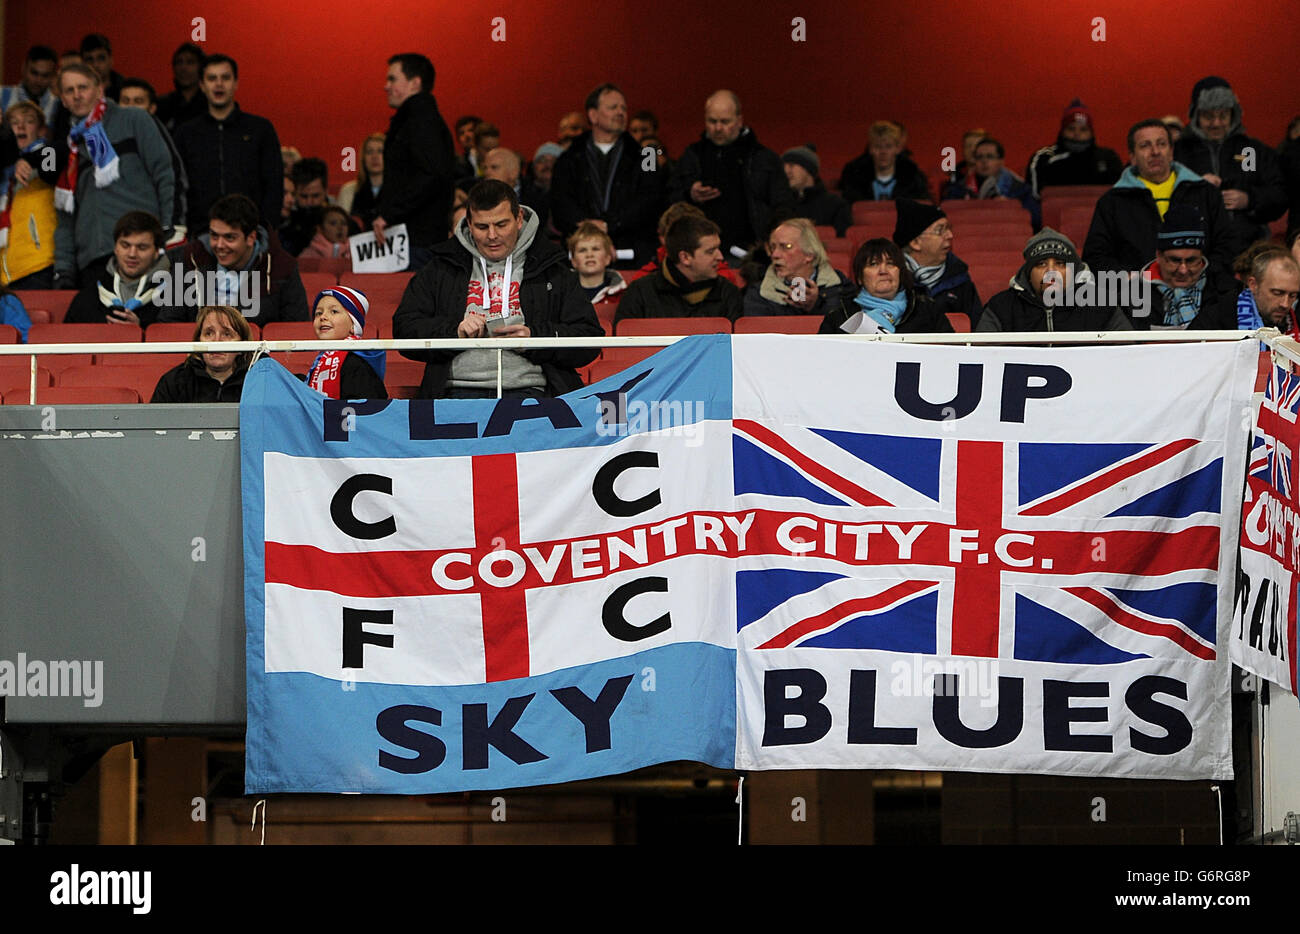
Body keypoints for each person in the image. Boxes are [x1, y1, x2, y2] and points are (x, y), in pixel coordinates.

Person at [392, 179, 601, 398]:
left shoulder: (552, 268)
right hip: (456, 394)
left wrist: (534, 338)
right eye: (482, 227)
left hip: (534, 393)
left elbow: (589, 340)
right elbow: (405, 330)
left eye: (501, 225)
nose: (492, 235)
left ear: (519, 218)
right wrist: (454, 332)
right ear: (469, 224)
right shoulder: (440, 268)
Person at [53, 64, 175, 289]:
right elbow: (65, 219)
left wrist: (168, 231)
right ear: (62, 99)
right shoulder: (66, 148)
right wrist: (64, 269)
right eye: (69, 91)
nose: (77, 95)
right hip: (92, 259)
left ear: (99, 90)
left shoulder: (134, 119)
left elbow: (166, 175)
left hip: (141, 251)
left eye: (83, 87)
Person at [1083, 118, 1241, 293]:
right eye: (1145, 146)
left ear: (1171, 152)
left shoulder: (1205, 193)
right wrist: (1132, 280)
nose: (1155, 152)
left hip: (1202, 293)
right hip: (1136, 298)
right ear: (1132, 157)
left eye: (1162, 144)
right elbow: (1096, 257)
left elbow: (1227, 247)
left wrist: (1200, 277)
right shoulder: (1112, 201)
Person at [550, 83, 665, 264]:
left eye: (624, 108)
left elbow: (652, 198)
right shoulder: (568, 156)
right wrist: (585, 225)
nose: (621, 112)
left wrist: (610, 225)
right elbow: (559, 201)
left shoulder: (647, 154)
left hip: (633, 253)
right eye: (613, 107)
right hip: (581, 253)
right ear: (593, 115)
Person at [669, 89, 791, 256]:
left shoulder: (764, 158)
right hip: (699, 253)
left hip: (751, 250)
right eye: (712, 121)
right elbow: (670, 197)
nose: (718, 128)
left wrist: (769, 242)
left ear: (739, 121)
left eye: (725, 122)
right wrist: (690, 194)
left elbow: (783, 206)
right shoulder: (691, 155)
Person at [174, 53, 282, 234]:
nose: (218, 84)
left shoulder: (260, 129)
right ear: (202, 85)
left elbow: (274, 184)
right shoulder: (186, 133)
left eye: (225, 77)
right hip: (200, 234)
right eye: (211, 78)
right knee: (192, 264)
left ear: (236, 83)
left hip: (250, 235)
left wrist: (266, 229)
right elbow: (177, 185)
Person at [1174, 76, 1288, 247]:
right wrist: (1195, 187)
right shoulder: (1178, 152)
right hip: (1192, 252)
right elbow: (1159, 197)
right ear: (1195, 116)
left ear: (1233, 115)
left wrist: (1250, 200)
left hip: (1247, 249)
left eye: (1223, 115)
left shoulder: (1251, 150)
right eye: (1208, 116)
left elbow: (1280, 193)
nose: (1216, 123)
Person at [163, 193, 309, 323]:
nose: (219, 245)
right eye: (214, 236)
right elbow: (169, 324)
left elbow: (295, 329)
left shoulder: (282, 267)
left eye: (229, 237)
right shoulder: (191, 259)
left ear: (251, 237)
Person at [373, 53, 457, 265]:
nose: (385, 86)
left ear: (415, 83)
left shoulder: (420, 122)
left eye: (392, 79)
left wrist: (390, 214)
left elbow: (430, 174)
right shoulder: (420, 119)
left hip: (415, 241)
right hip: (414, 238)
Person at [977, 228, 1130, 332]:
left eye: (1060, 264)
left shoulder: (1102, 304)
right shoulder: (1001, 307)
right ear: (1028, 273)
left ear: (1074, 270)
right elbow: (982, 358)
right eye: (1041, 264)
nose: (1051, 272)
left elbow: (1128, 356)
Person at [615, 214, 742, 323]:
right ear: (685, 257)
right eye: (710, 251)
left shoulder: (728, 293)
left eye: (718, 248)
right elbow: (624, 347)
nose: (720, 257)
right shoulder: (640, 293)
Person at [819, 238, 953, 335]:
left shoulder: (927, 310)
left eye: (890, 263)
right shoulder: (839, 316)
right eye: (873, 264)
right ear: (860, 277)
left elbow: (951, 353)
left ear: (900, 272)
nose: (883, 271)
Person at [65, 210, 177, 325]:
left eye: (142, 247)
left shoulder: (175, 297)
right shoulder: (88, 296)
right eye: (125, 245)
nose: (132, 254)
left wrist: (142, 333)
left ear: (157, 252)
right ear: (115, 248)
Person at [1133, 204, 1236, 330]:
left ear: (1201, 256)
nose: (1183, 270)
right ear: (1159, 256)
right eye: (1175, 260)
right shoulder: (1131, 295)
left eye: (1191, 260)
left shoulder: (1228, 293)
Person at [117, 78, 189, 247]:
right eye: (125, 101)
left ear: (152, 108)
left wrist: (171, 225)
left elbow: (171, 176)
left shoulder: (154, 131)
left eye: (138, 101)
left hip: (150, 233)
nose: (131, 107)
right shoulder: (104, 135)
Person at [894, 199, 983, 327]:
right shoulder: (892, 278)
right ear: (915, 243)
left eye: (948, 228)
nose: (950, 235)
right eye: (940, 230)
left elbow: (977, 329)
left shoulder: (959, 279)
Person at [743, 218, 854, 317]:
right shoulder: (758, 292)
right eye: (773, 247)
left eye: (786, 246)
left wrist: (815, 306)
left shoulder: (840, 286)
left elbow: (847, 330)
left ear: (809, 254)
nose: (775, 254)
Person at [1, 101, 56, 289]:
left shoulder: (50, 153)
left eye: (29, 121)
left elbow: (52, 161)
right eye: (13, 122)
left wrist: (27, 159)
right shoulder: (5, 170)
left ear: (41, 130)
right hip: (6, 271)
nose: (20, 126)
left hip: (38, 264)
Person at [150, 304, 253, 403]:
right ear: (198, 340)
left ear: (242, 345)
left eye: (227, 334)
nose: (216, 341)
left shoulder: (255, 382)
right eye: (209, 333)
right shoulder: (174, 381)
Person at [1026, 100, 1124, 198]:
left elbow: (1119, 196)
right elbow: (1033, 198)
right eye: (1071, 129)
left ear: (1091, 132)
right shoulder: (1044, 157)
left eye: (1083, 129)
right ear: (1062, 131)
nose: (1077, 134)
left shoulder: (1108, 158)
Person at [305, 287, 387, 399]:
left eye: (334, 311)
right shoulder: (319, 362)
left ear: (354, 326)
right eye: (318, 313)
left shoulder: (359, 364)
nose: (323, 317)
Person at [944, 137, 1040, 228]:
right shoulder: (959, 189)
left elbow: (1036, 219)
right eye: (979, 157)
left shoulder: (1019, 189)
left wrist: (1012, 208)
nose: (984, 161)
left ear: (1001, 161)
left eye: (990, 157)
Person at [839, 121, 931, 204]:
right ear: (870, 149)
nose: (883, 152)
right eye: (878, 147)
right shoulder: (854, 178)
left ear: (898, 149)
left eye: (888, 146)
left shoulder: (913, 178)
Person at [782, 146, 851, 237]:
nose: (786, 171)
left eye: (791, 165)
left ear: (808, 169)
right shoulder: (782, 204)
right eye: (783, 166)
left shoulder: (835, 204)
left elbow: (841, 240)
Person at [1235, 251, 1300, 332]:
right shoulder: (1219, 319)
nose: (1285, 304)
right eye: (1277, 293)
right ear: (1253, 285)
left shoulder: (1296, 321)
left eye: (1292, 295)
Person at [0, 46, 60, 128]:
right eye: (34, 73)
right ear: (23, 68)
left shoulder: (57, 107)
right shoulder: (1, 96)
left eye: (45, 76)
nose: (38, 80)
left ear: (53, 76)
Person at [568, 221, 626, 303]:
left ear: (607, 258)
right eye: (582, 250)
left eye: (595, 249)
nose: (589, 255)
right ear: (573, 261)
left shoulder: (623, 295)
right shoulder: (562, 295)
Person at [155, 42, 206, 133]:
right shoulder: (162, 105)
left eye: (190, 62)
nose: (183, 68)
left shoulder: (211, 105)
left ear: (201, 68)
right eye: (179, 62)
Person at [338, 132, 384, 224]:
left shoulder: (400, 192)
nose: (374, 157)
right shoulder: (348, 191)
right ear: (363, 158)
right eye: (369, 152)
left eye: (380, 151)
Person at [79, 34, 125, 103]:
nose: (95, 65)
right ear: (82, 63)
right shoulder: (76, 91)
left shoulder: (124, 88)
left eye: (101, 58)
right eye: (89, 59)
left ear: (111, 60)